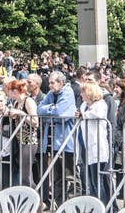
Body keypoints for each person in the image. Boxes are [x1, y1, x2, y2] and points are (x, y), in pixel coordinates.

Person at [37, 71, 76, 207]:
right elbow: (39, 110)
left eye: (52, 82)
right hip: (52, 143)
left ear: (61, 83)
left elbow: (60, 114)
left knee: (70, 177)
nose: (50, 85)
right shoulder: (50, 94)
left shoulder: (68, 92)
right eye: (49, 83)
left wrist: (50, 113)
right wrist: (52, 109)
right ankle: (60, 206)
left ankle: (72, 206)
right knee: (57, 178)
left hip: (66, 143)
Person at [77, 81, 110, 205]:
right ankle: (95, 206)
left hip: (97, 146)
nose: (81, 94)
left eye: (83, 92)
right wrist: (80, 114)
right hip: (86, 146)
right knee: (91, 182)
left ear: (89, 93)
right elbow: (82, 115)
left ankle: (102, 206)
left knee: (97, 182)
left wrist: (84, 115)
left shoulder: (101, 104)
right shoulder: (83, 105)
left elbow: (97, 114)